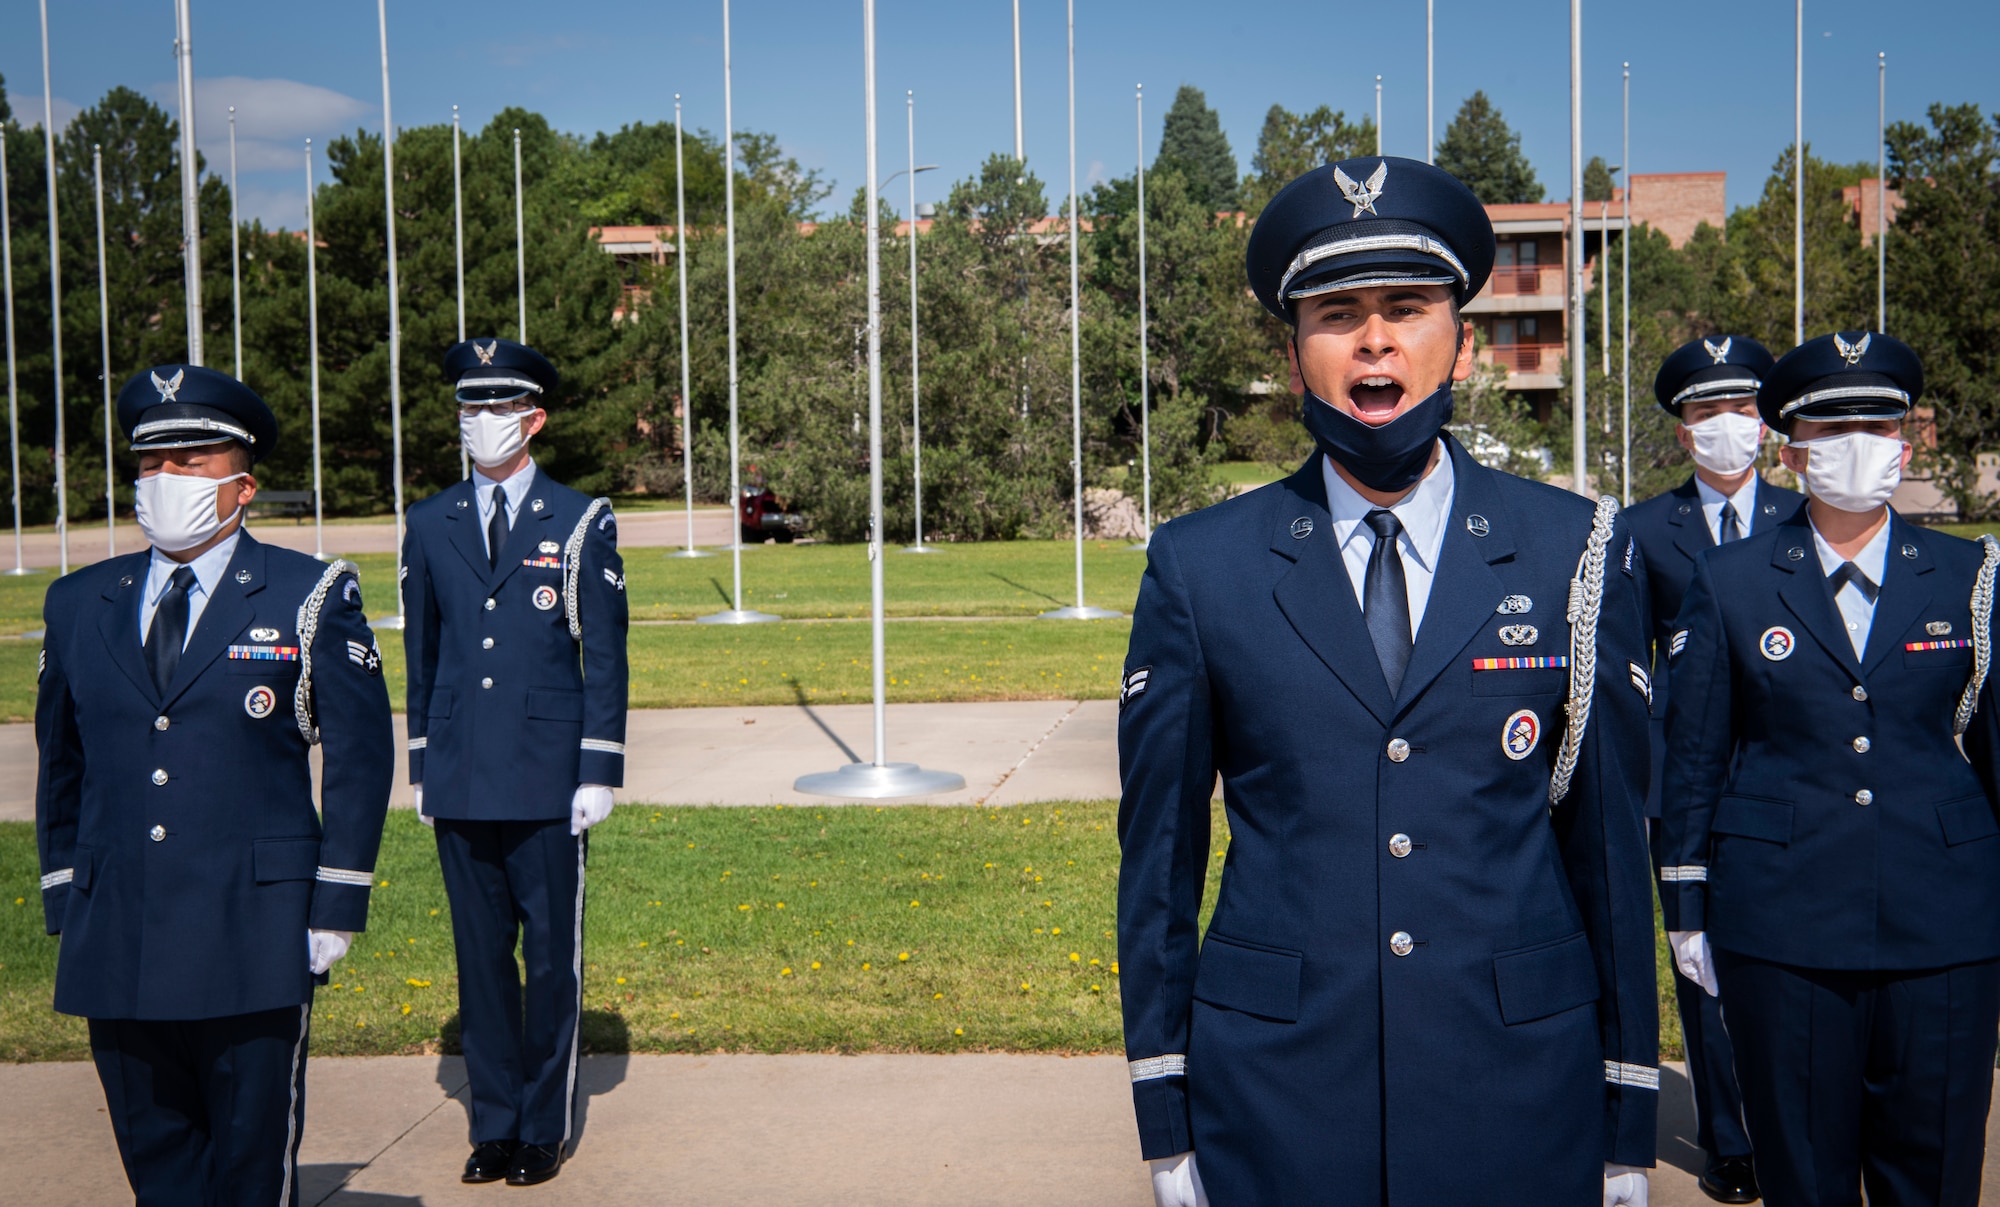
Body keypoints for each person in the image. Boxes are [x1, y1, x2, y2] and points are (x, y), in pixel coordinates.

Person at [1117, 156, 1658, 1207]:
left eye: (1406, 307)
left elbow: (1605, 851)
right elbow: (1157, 862)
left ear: (1457, 336)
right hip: (1278, 1094)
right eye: (1336, 313)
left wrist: (1625, 1112)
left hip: (1512, 1083)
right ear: (1293, 353)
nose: (1374, 338)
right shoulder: (1201, 566)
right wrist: (1163, 1109)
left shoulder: (1570, 547)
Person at [34, 364, 393, 1205]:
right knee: (156, 1160)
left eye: (190, 463)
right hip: (119, 928)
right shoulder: (80, 602)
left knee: (246, 1165)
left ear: (243, 486)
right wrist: (65, 894)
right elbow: (62, 765)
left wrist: (337, 901)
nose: (165, 480)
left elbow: (360, 757)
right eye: (151, 464)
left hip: (253, 928)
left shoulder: (309, 593)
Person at [1660, 331, 2000, 1207]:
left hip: (1945, 924)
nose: (1859, 444)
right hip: (1783, 926)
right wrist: (1687, 907)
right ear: (1792, 446)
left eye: (1878, 424)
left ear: (1907, 441)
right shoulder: (1730, 580)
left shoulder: (1969, 576)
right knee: (1804, 1173)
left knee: (1932, 1174)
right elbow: (1696, 756)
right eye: (1833, 426)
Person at [401, 337, 629, 1186]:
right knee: (479, 958)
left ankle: (543, 1123)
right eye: (470, 408)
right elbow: (424, 656)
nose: (481, 423)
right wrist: (422, 766)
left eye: (498, 408)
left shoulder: (579, 519)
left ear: (533, 418)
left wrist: (597, 768)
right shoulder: (429, 522)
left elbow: (604, 653)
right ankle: (493, 1123)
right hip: (461, 773)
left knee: (551, 959)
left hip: (546, 775)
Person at [1625, 335, 1801, 1204]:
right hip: (1683, 785)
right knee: (1701, 964)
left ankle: (1794, 1122)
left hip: (1785, 774)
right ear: (1683, 428)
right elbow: (1626, 665)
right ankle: (1731, 1138)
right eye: (1705, 410)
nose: (1724, 425)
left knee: (1787, 960)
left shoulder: (1803, 522)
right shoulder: (1642, 530)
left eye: (1740, 408)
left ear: (1765, 424)